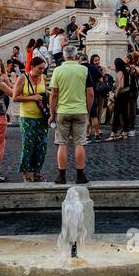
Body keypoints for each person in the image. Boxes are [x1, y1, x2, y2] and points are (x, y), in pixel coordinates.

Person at [49, 45, 93, 184]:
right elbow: (90, 93)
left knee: (62, 144)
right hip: (80, 110)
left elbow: (54, 94)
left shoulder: (58, 70)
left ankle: (61, 176)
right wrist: (88, 109)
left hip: (62, 110)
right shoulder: (84, 70)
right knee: (80, 143)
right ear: (75, 56)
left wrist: (52, 112)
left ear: (63, 55)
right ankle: (80, 176)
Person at [13, 57, 50, 181]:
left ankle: (37, 173)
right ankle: (26, 174)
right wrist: (32, 97)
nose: (42, 70)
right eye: (40, 68)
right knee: (28, 145)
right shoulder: (22, 78)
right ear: (32, 66)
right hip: (27, 117)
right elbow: (15, 97)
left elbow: (46, 94)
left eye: (43, 68)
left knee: (42, 146)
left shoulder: (43, 78)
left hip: (42, 117)